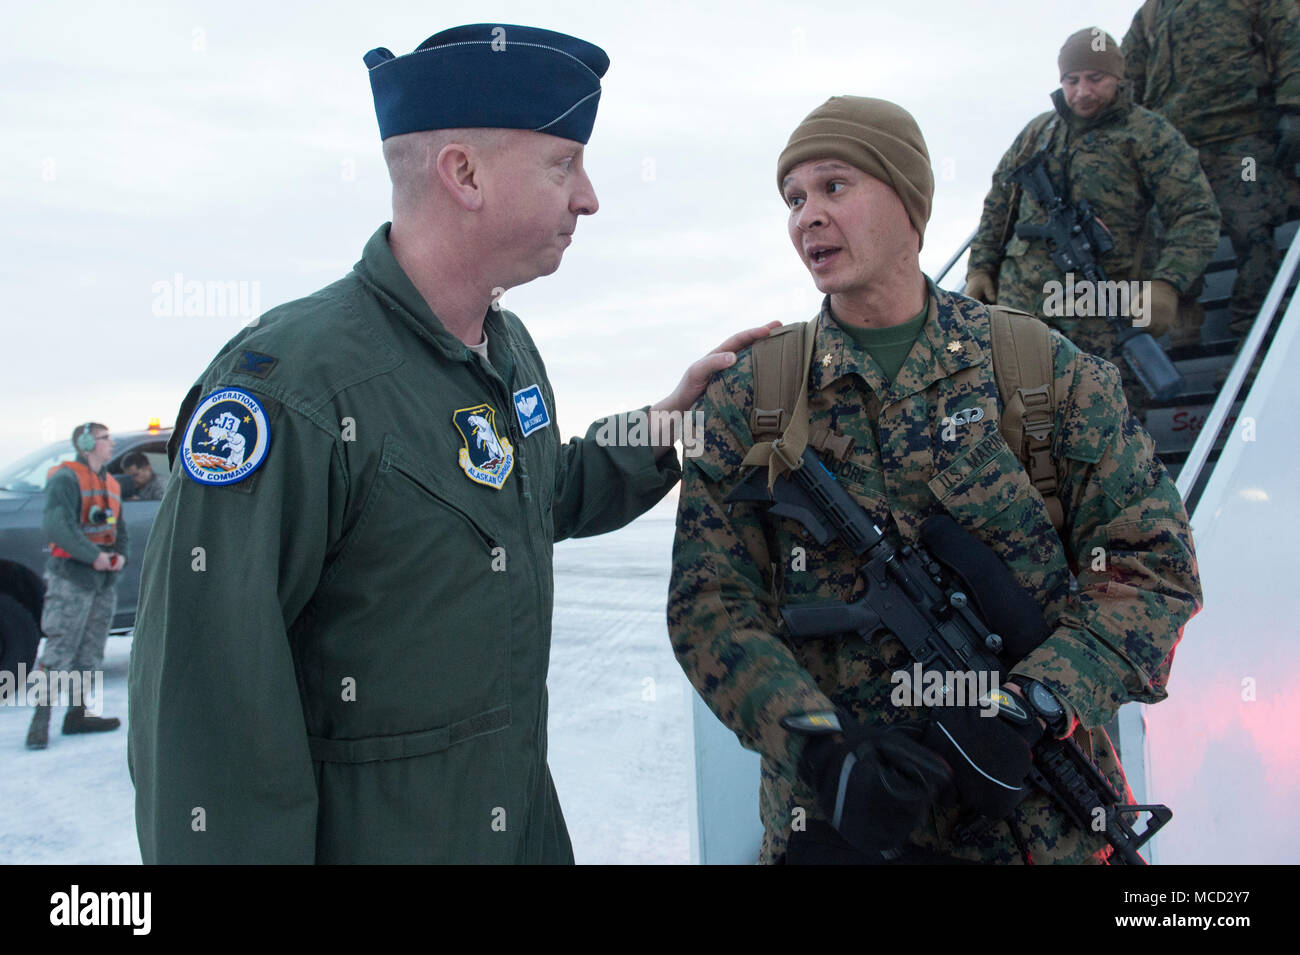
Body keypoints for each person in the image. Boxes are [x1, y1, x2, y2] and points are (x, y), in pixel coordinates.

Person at [127, 23, 773, 864]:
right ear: (464, 174)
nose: (589, 197)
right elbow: (205, 707)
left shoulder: (506, 350)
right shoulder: (289, 389)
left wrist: (667, 421)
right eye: (563, 163)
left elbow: (533, 491)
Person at [667, 95, 1202, 864]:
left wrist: (1037, 701)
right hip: (845, 835)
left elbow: (1156, 568)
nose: (807, 216)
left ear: (909, 204)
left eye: (834, 186)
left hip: (1039, 834)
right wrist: (819, 744)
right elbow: (709, 603)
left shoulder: (1040, 371)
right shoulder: (757, 396)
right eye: (793, 198)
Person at [966, 27, 1219, 419]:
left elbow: (1196, 213)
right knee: (1017, 435)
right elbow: (1000, 203)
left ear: (1118, 77)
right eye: (1072, 80)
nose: (1082, 91)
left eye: (1095, 79)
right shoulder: (1037, 133)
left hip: (1104, 318)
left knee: (1108, 440)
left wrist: (1168, 284)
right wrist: (981, 265)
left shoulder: (1149, 134)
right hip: (1022, 318)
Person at [1123, 0, 1300, 335]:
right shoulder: (1152, 11)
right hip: (1177, 149)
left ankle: (1254, 336)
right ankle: (1181, 327)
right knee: (1168, 238)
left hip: (1243, 139)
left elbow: (1290, 37)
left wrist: (1293, 104)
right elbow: (1127, 81)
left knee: (1252, 230)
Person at [26, 422, 127, 749]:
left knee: (91, 652)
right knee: (58, 652)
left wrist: (119, 557)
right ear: (86, 443)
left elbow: (119, 529)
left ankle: (78, 715)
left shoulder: (109, 483)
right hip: (71, 578)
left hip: (102, 582)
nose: (110, 443)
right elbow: (57, 525)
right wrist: (92, 556)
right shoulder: (66, 478)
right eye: (104, 438)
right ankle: (39, 723)